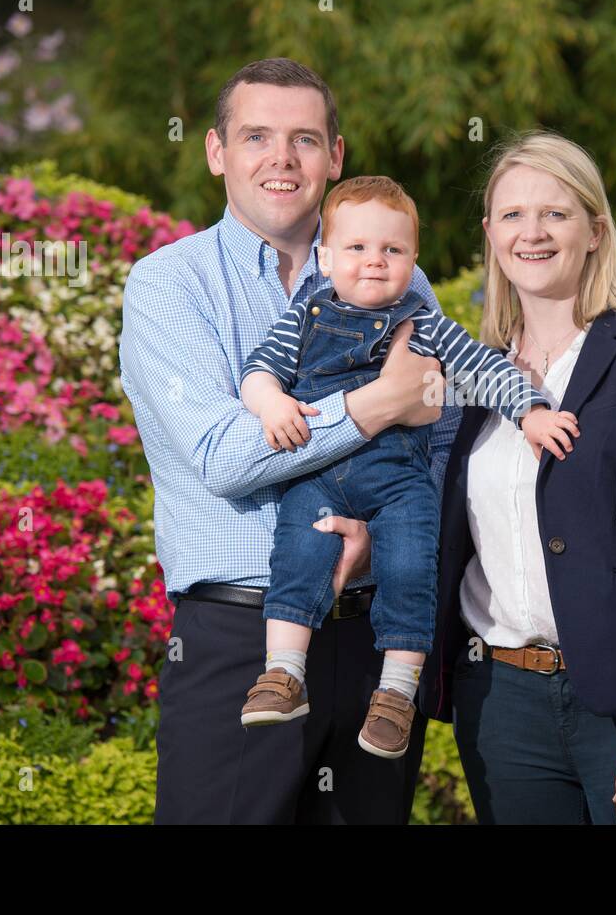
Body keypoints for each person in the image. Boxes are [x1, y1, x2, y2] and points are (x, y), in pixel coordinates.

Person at [120, 58, 460, 823]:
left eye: (305, 138)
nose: (283, 158)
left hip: (375, 640)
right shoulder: (169, 284)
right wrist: (376, 404)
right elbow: (226, 456)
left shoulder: (399, 281)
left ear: (335, 157)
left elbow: (442, 440)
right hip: (240, 639)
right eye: (257, 137)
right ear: (217, 152)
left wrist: (389, 531)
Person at [418, 130, 616, 824]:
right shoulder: (473, 378)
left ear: (596, 231)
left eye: (555, 214)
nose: (531, 233)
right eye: (512, 215)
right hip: (503, 711)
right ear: (489, 234)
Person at [235, 174, 579, 759]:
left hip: (400, 484)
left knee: (410, 567)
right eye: (358, 249)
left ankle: (396, 691)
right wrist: (270, 401)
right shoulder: (305, 313)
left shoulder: (425, 322)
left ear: (413, 258)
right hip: (318, 475)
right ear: (326, 257)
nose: (375, 262)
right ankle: (283, 674)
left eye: (392, 250)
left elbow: (487, 370)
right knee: (297, 551)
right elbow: (258, 370)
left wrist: (530, 413)